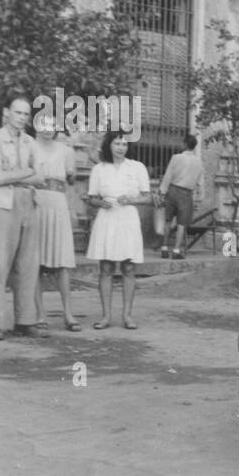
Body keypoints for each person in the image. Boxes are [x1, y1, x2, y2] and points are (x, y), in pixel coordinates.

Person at [86, 131, 151, 330]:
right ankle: (105, 316)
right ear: (110, 145)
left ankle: (127, 316)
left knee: (129, 267)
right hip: (107, 219)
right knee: (106, 267)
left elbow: (147, 197)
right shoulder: (99, 169)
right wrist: (100, 203)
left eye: (124, 143)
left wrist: (131, 199)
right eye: (117, 143)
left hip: (128, 219)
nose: (121, 147)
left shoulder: (137, 167)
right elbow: (91, 199)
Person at [0, 92, 45, 341]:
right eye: (17, 112)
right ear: (7, 112)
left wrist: (16, 173)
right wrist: (27, 172)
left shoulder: (30, 142)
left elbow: (41, 177)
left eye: (26, 114)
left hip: (29, 202)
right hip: (4, 203)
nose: (22, 118)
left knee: (28, 263)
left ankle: (26, 320)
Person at [32, 114, 81, 331]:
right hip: (36, 203)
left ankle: (68, 313)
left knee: (63, 261)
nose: (48, 129)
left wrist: (71, 174)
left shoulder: (65, 150)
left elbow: (71, 181)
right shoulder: (29, 146)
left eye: (52, 125)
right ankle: (40, 313)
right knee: (35, 261)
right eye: (43, 125)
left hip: (59, 204)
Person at [158, 133, 204, 259]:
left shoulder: (176, 157)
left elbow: (168, 175)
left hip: (172, 190)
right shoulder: (198, 162)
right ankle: (177, 250)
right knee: (181, 224)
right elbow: (200, 182)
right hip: (186, 194)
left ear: (184, 144)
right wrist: (199, 198)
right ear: (194, 147)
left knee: (167, 220)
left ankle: (164, 247)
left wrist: (162, 192)